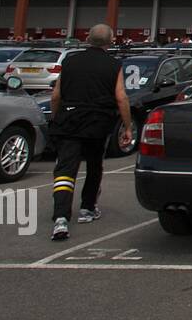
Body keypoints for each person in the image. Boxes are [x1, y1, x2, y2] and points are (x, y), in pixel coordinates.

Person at [49, 24, 133, 241]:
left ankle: (60, 217)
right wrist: (128, 126)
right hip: (97, 122)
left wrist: (56, 117)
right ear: (111, 41)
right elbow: (121, 96)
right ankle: (87, 208)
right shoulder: (113, 65)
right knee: (95, 166)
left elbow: (56, 95)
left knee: (65, 170)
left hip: (69, 120)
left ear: (87, 39)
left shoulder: (69, 61)